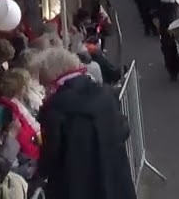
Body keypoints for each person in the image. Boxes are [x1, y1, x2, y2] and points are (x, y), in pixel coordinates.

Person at [32, 48, 136, 199]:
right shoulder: (105, 94)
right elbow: (123, 129)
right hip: (115, 178)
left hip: (75, 185)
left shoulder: (56, 108)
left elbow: (51, 154)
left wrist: (40, 171)